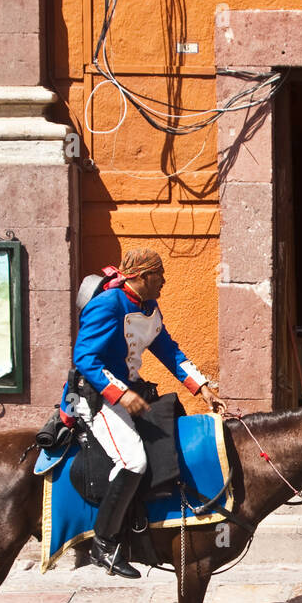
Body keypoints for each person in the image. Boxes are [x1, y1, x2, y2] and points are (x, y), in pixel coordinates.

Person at [60, 247, 226, 578]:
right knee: (133, 460)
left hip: (128, 392)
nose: (164, 281)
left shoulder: (149, 307)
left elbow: (168, 350)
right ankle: (103, 545)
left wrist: (201, 386)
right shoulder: (108, 305)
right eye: (160, 275)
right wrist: (120, 395)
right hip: (97, 396)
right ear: (142, 277)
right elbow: (85, 359)